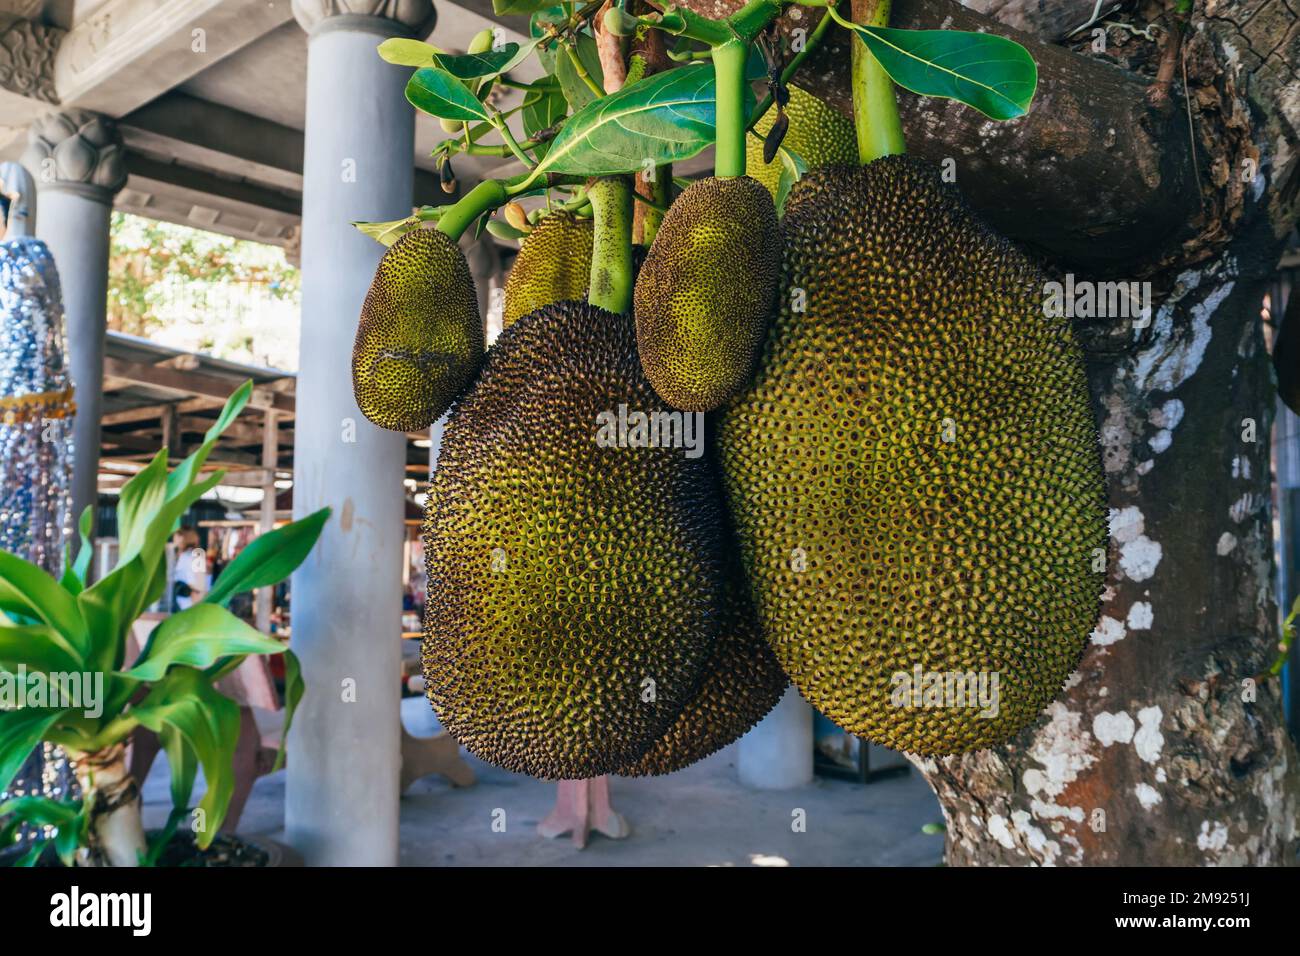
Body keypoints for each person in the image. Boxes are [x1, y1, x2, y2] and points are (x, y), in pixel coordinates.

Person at [172, 527, 211, 610]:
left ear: (183, 537)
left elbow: (201, 584)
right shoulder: (179, 555)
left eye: (177, 537)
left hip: (190, 601)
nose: (174, 540)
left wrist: (197, 596)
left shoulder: (197, 554)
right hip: (179, 600)